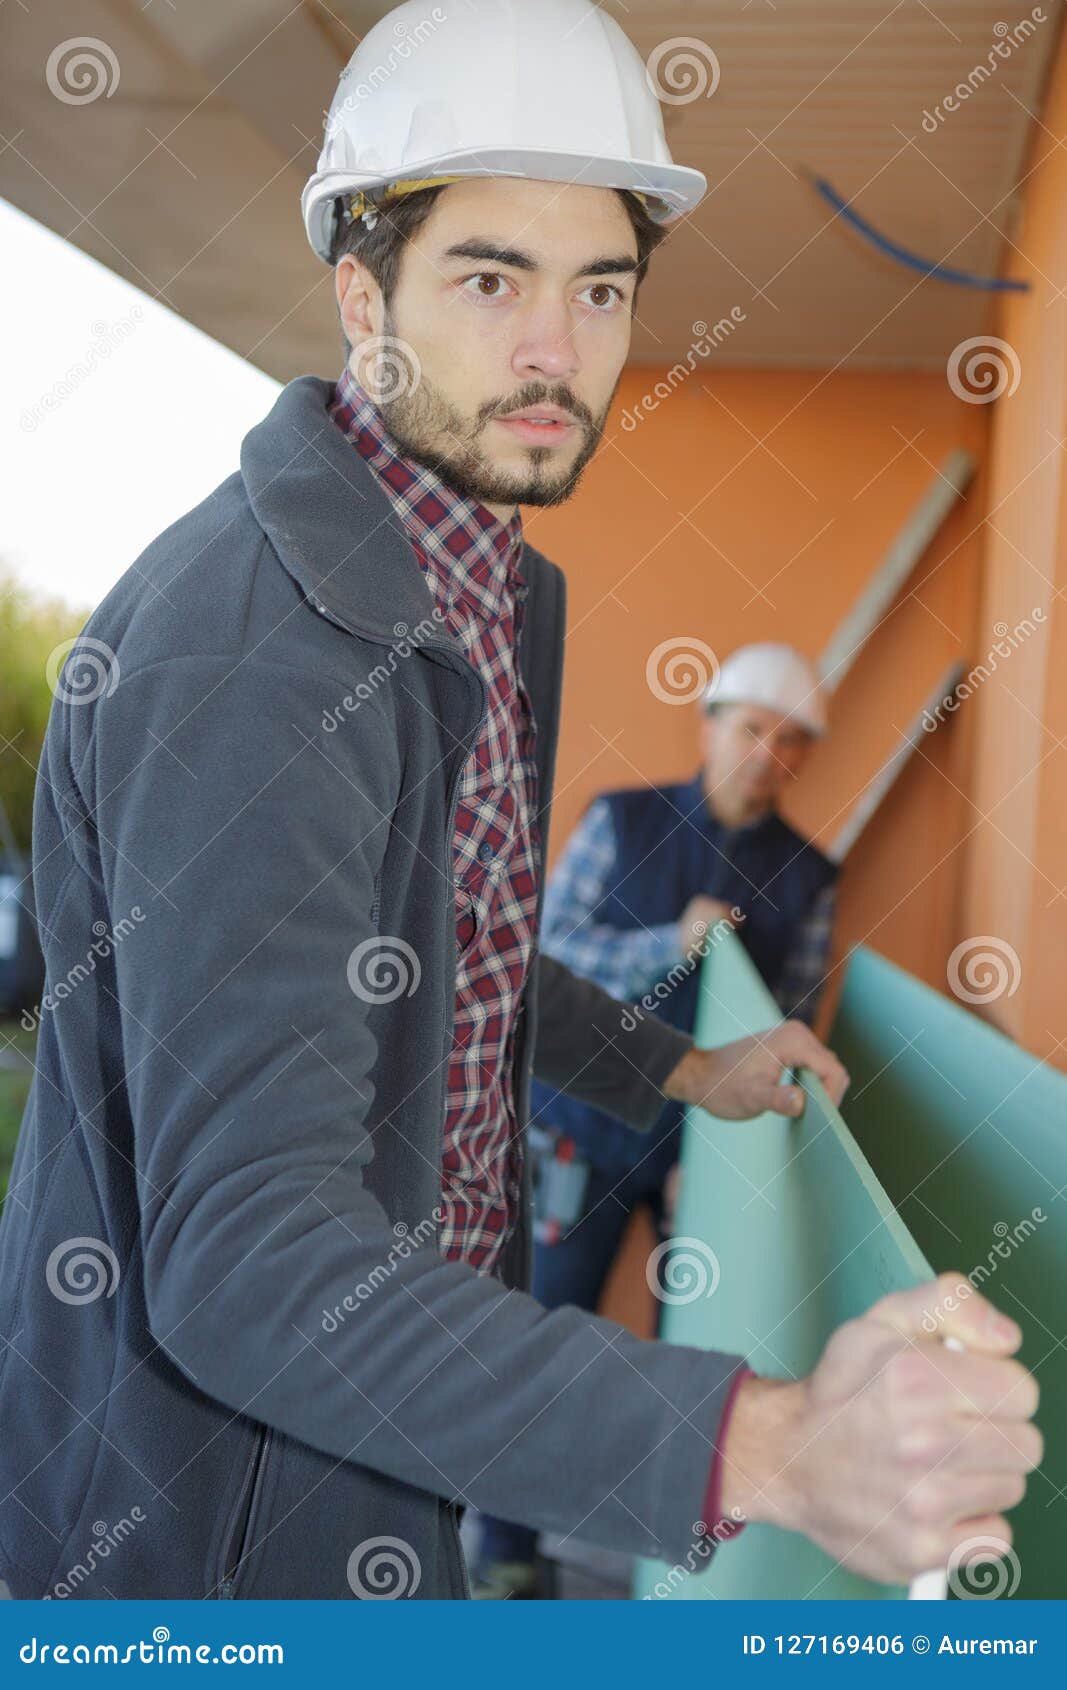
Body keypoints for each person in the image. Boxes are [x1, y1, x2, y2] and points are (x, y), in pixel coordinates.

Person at [0, 0, 1038, 1603]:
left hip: (395, 1419)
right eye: (489, 278)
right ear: (363, 295)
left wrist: (677, 1059)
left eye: (600, 287)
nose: (556, 349)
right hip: (205, 1523)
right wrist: (762, 1446)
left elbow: (446, 941)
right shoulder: (258, 644)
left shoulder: (486, 584)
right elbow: (248, 1265)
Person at [472, 642, 839, 1593]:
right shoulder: (619, 820)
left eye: (793, 741)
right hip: (576, 1133)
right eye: (754, 728)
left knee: (699, 1369)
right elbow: (542, 957)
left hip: (698, 1161)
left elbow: (790, 1024)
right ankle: (506, 1557)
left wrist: (721, 1154)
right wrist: (664, 945)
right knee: (541, 1339)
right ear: (709, 722)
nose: (770, 753)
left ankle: (674, 1579)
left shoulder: (810, 877)